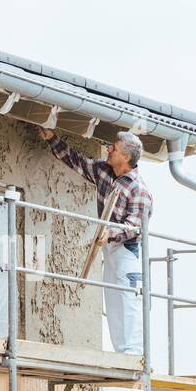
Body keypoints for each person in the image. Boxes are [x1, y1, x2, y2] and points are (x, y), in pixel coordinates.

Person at [40, 127, 152, 356]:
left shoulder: (138, 189)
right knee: (112, 300)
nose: (109, 150)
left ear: (126, 157)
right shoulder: (104, 172)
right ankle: (122, 351)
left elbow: (134, 226)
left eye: (114, 148)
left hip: (127, 250)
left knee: (128, 300)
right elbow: (77, 161)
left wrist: (111, 232)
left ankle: (134, 353)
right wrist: (52, 138)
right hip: (109, 248)